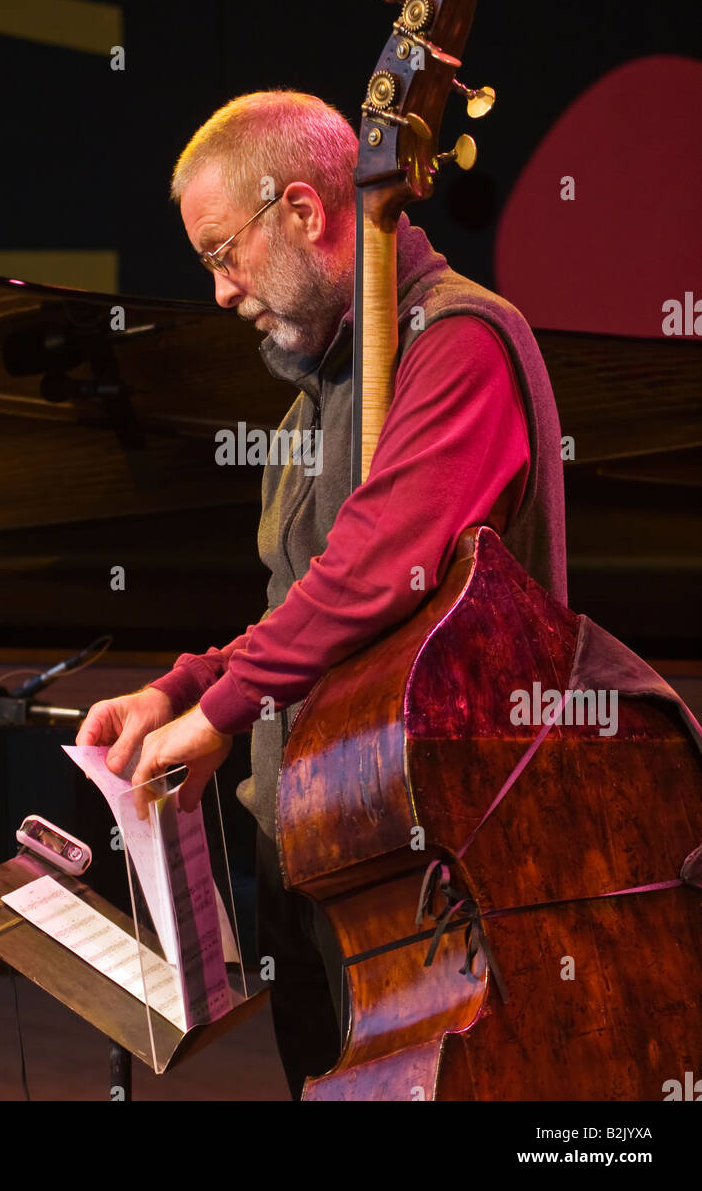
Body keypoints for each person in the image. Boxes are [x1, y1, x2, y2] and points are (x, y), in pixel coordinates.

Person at [75, 89, 568, 1098]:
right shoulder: (323, 387)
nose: (217, 290)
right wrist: (180, 689)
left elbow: (377, 571)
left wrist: (217, 711)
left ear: (301, 211)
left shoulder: (460, 341)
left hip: (425, 872)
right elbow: (300, 599)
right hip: (320, 852)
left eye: (222, 253)